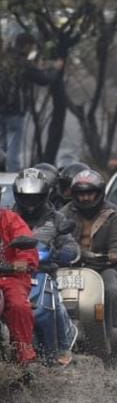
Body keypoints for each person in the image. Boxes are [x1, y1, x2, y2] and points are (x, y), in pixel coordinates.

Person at [61, 169, 117, 353]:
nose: (85, 199)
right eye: (81, 194)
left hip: (101, 267)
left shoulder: (112, 212)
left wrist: (114, 253)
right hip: (69, 268)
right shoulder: (64, 213)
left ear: (99, 193)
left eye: (89, 193)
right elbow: (57, 237)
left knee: (116, 292)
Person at [12, 168, 79, 366]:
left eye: (35, 197)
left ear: (45, 195)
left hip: (43, 274)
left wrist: (64, 253)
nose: (30, 203)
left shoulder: (57, 219)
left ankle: (60, 348)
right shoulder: (8, 217)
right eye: (25, 197)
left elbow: (70, 245)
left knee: (51, 306)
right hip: (11, 274)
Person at [0, 33, 62, 171]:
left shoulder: (5, 60)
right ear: (27, 46)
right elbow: (44, 79)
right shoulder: (23, 64)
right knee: (13, 147)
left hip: (1, 109)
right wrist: (55, 69)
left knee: (2, 146)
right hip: (16, 111)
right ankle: (11, 178)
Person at [0, 205, 40, 364]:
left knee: (19, 306)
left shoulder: (10, 219)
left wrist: (23, 261)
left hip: (9, 276)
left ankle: (24, 355)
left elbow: (26, 243)